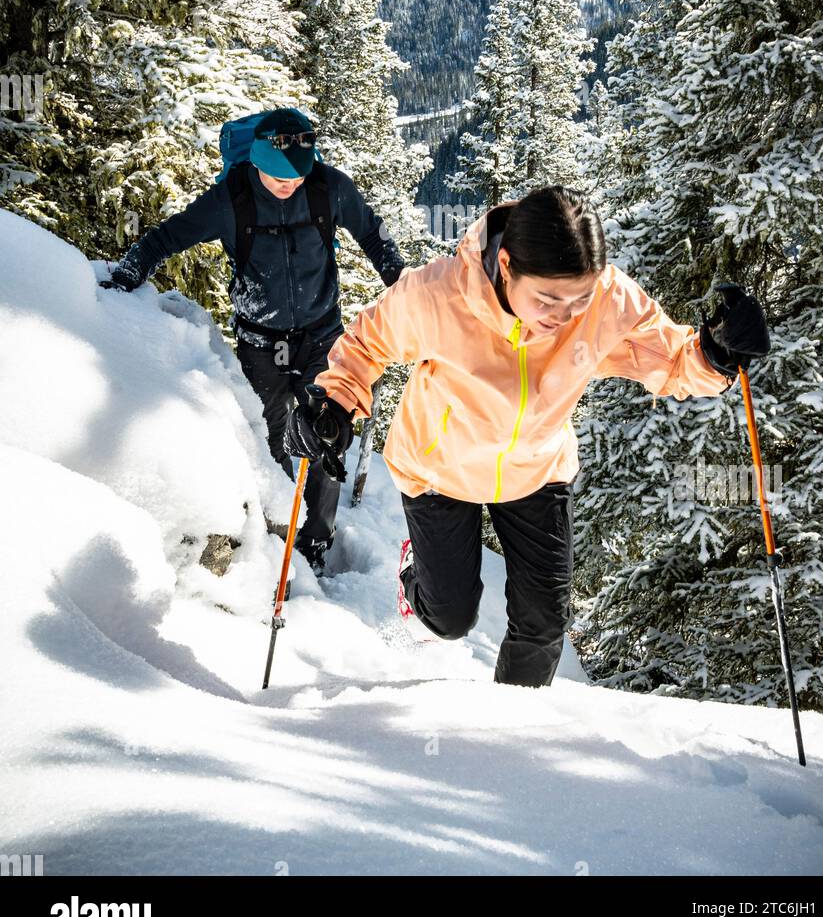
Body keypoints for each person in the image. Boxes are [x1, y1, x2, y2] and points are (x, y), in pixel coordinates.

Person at [286, 184, 770, 688]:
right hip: (440, 466)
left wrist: (716, 355)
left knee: (543, 628)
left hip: (536, 468)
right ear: (506, 264)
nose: (562, 317)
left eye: (578, 300)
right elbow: (367, 343)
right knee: (449, 619)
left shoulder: (607, 301)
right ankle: (419, 585)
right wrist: (336, 403)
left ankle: (509, 740)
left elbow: (670, 357)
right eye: (546, 299)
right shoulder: (438, 294)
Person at [100, 107, 406, 573]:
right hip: (260, 342)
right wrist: (130, 270)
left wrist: (407, 291)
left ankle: (317, 540)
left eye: (297, 177)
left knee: (326, 433)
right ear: (257, 161)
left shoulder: (328, 188)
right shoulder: (231, 200)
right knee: (273, 436)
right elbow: (168, 236)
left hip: (322, 336)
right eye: (278, 177)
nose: (289, 185)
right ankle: (280, 528)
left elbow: (374, 236)